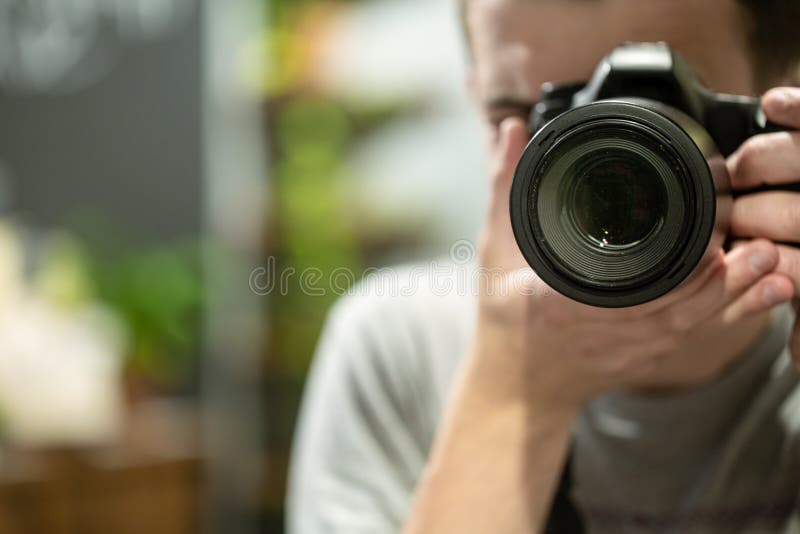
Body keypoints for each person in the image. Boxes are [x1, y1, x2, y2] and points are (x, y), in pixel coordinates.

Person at [287, 0, 800, 532]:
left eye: (649, 112)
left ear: (779, 107)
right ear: (478, 98)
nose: (576, 159)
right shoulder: (402, 345)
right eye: (531, 117)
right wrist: (509, 393)